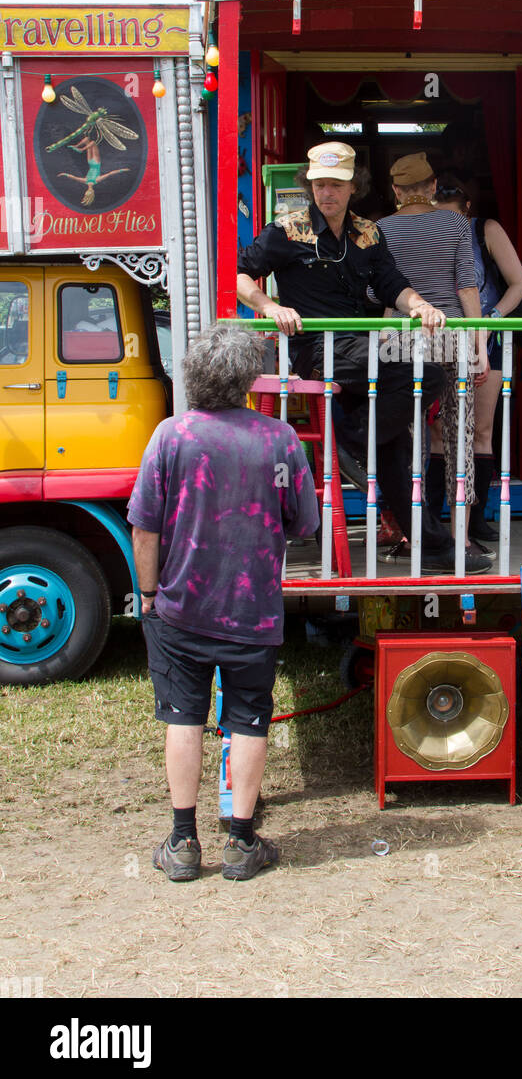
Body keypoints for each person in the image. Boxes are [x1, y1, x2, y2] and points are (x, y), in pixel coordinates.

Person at [236, 141, 485, 574]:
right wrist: (270, 306)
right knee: (426, 375)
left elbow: (393, 284)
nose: (325, 193)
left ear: (354, 187)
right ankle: (354, 436)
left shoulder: (368, 232)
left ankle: (436, 549)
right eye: (318, 184)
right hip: (317, 350)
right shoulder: (285, 230)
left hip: (359, 352)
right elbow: (239, 274)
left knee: (394, 449)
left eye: (335, 184)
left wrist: (422, 305)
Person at [129, 323, 320, 882]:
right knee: (249, 720)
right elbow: (305, 522)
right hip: (252, 611)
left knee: (182, 715)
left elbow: (144, 530)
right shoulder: (281, 440)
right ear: (247, 379)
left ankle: (183, 842)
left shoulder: (170, 436)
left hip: (181, 607)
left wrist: (147, 596)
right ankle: (241, 842)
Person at [377, 154, 489, 565]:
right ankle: (459, 535)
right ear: (432, 185)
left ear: (397, 191)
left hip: (400, 341)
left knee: (409, 438)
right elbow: (467, 287)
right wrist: (479, 346)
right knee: (459, 431)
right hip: (452, 337)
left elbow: (378, 293)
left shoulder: (382, 230)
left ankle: (413, 536)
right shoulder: (457, 224)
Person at [433, 174, 522, 543]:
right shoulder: (426, 229)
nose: (447, 225)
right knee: (439, 430)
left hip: (487, 337)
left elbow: (518, 284)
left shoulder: (485, 229)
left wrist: (491, 321)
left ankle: (476, 519)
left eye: (452, 218)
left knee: (481, 431)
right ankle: (439, 518)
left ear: (467, 209)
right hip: (441, 339)